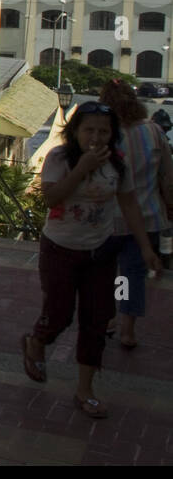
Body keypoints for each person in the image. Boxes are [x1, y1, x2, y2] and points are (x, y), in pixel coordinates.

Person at [21, 101, 162, 419]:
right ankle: (36, 341)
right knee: (58, 315)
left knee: (96, 321)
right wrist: (82, 168)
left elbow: (129, 205)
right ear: (75, 132)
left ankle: (85, 390)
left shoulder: (117, 163)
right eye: (89, 130)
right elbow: (50, 198)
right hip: (60, 248)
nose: (96, 137)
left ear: (113, 134)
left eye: (103, 131)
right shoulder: (60, 158)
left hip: (101, 250)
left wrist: (146, 248)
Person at [99, 80, 173, 343]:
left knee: (107, 272)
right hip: (148, 217)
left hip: (109, 219)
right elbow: (167, 178)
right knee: (133, 274)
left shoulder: (104, 134)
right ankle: (127, 329)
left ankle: (109, 318)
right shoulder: (154, 131)